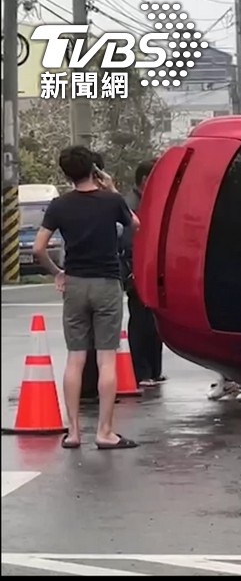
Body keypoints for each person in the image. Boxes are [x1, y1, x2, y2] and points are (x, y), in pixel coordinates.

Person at [34, 145, 139, 450]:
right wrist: (112, 188)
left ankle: (73, 432)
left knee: (75, 358)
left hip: (75, 283)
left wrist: (58, 272)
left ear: (65, 172)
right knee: (106, 358)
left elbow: (39, 248)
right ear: (95, 169)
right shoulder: (111, 201)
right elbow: (135, 224)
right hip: (106, 282)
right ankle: (105, 432)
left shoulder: (59, 205)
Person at [122, 158, 166, 387]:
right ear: (145, 180)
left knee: (153, 322)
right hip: (137, 272)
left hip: (151, 270)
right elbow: (130, 244)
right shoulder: (131, 205)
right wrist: (131, 274)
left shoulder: (150, 201)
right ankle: (142, 371)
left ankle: (155, 370)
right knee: (140, 322)